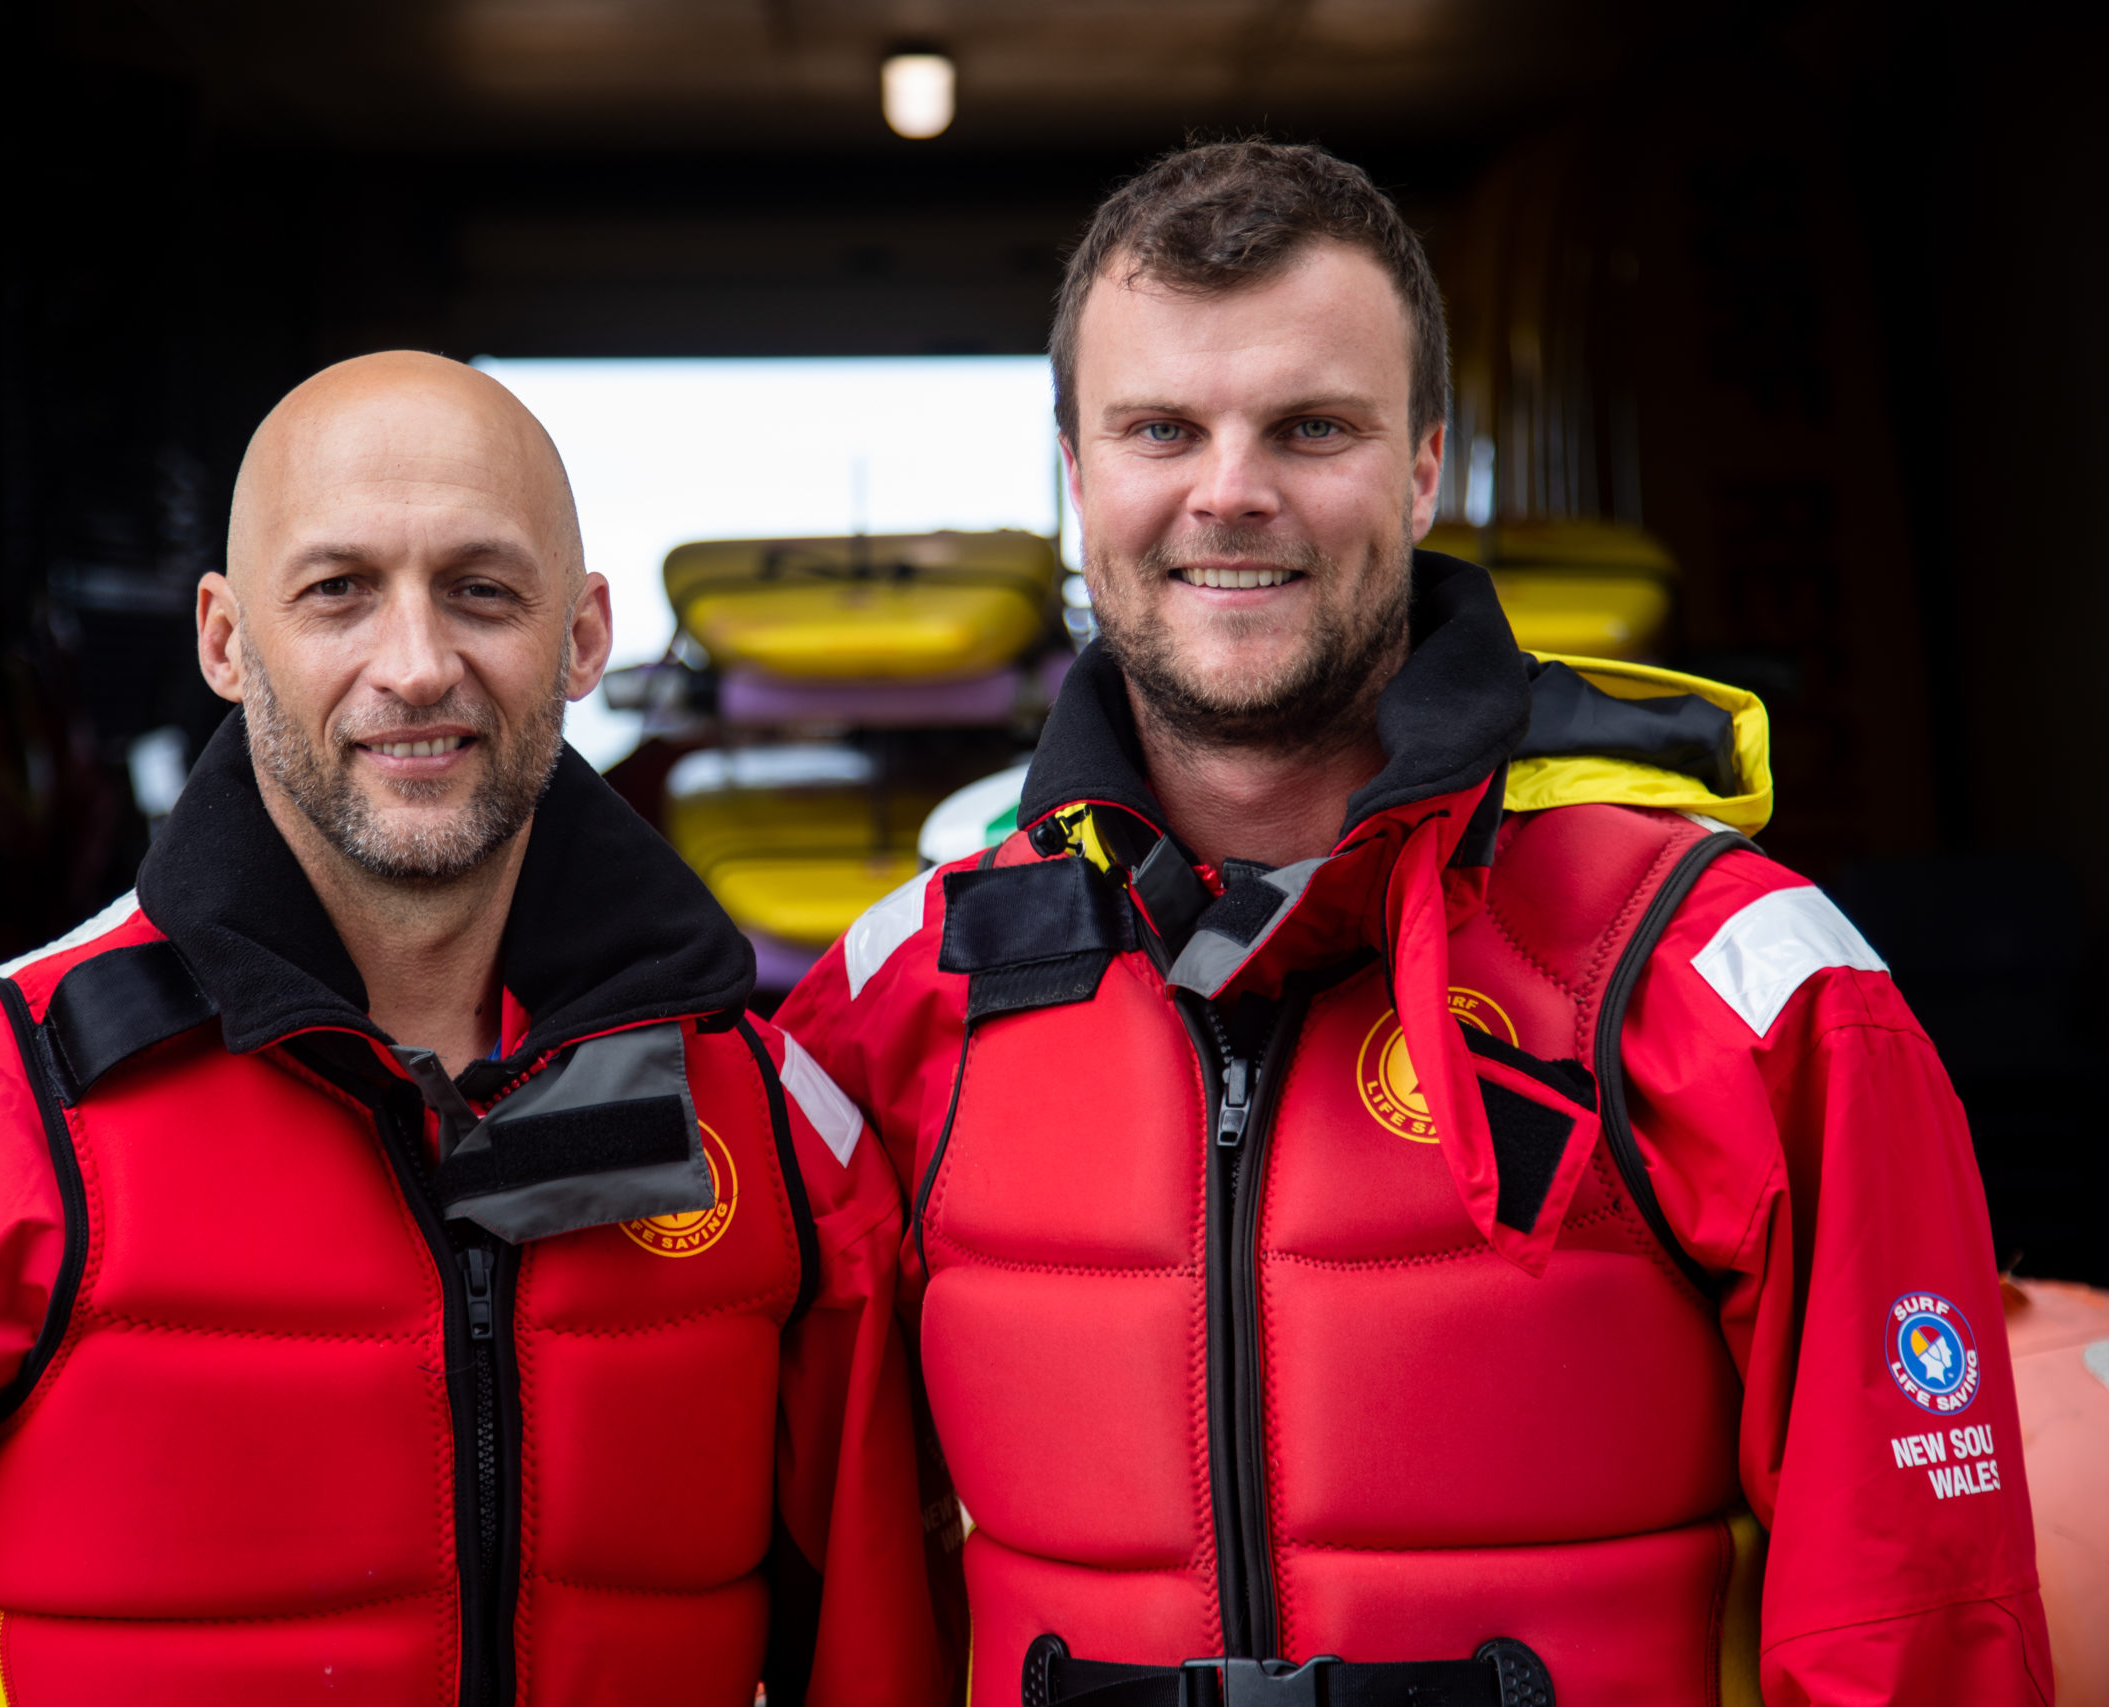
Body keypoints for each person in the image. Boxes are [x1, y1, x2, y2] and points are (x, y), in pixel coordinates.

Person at [774, 141, 2053, 1705]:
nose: (1229, 491)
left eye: (1312, 428)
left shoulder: (1737, 983)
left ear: (1428, 466)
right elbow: (830, 1594)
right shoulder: (902, 999)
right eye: (1161, 428)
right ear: (1078, 474)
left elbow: (1913, 1634)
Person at [0, 353, 946, 1707]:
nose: (417, 666)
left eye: (481, 589)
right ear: (225, 639)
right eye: (339, 591)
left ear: (582, 636)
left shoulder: (780, 1133)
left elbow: (881, 1662)